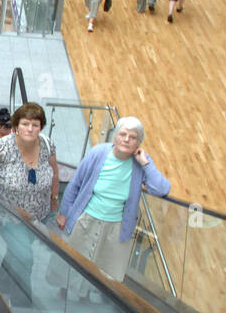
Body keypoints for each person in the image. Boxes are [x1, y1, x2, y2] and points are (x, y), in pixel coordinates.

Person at [55, 117, 170, 287]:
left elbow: (161, 189)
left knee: (106, 271)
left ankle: (86, 296)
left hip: (117, 226)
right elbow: (75, 184)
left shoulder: (141, 162)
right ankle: (65, 292)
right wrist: (63, 213)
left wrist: (146, 164)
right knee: (74, 263)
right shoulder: (98, 153)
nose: (126, 140)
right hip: (86, 218)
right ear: (115, 136)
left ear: (138, 143)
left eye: (133, 137)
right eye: (123, 134)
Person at [0, 103, 60, 294]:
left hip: (37, 215)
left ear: (41, 127)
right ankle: (23, 303)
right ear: (16, 126)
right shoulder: (3, 146)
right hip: (9, 215)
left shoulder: (46, 144)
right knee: (25, 256)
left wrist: (54, 196)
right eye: (25, 124)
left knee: (16, 253)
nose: (30, 129)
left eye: (35, 125)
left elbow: (54, 172)